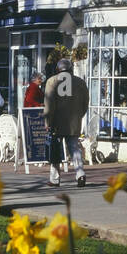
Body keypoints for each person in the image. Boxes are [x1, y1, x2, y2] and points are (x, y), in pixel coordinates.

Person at [44, 58, 89, 187]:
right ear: (71, 69)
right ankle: (80, 174)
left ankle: (55, 178)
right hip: (73, 120)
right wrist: (79, 115)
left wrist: (48, 121)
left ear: (57, 69)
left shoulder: (52, 81)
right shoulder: (80, 82)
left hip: (56, 121)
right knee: (75, 148)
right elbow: (85, 102)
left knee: (55, 149)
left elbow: (49, 104)